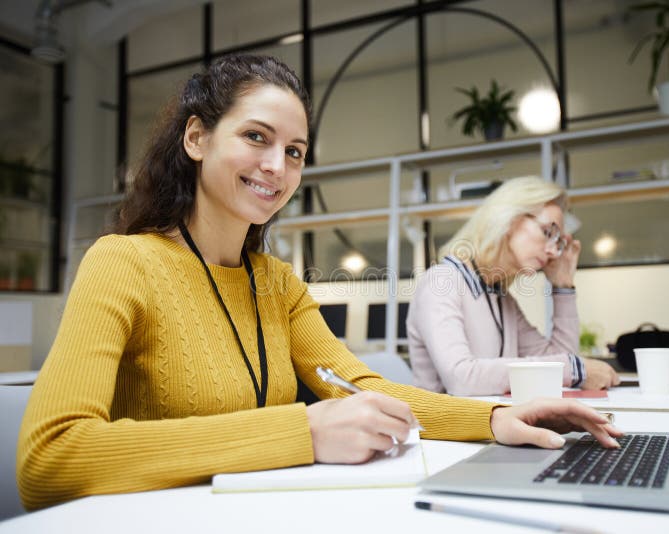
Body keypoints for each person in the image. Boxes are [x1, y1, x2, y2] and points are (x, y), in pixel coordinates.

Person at [16, 55, 622, 511]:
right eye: (257, 137)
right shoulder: (121, 262)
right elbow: (50, 458)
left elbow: (360, 385)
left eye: (296, 151)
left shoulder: (276, 283)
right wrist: (301, 432)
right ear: (196, 138)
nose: (277, 167)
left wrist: (495, 418)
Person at [407, 176, 620, 396]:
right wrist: (574, 369)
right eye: (548, 232)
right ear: (508, 218)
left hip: (492, 427)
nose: (552, 251)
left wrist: (562, 287)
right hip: (440, 429)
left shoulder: (501, 298)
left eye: (557, 242)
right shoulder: (441, 282)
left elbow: (560, 362)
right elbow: (462, 378)